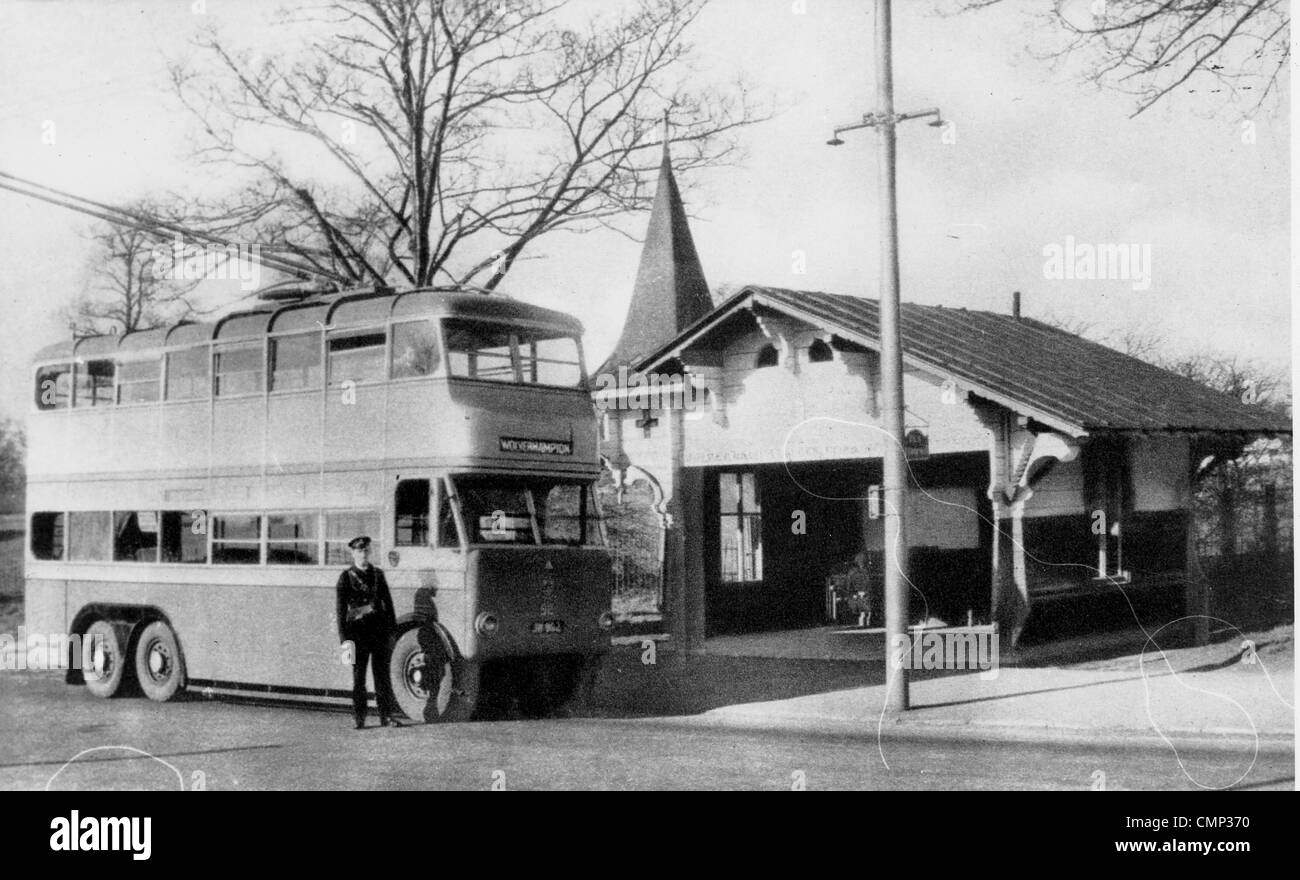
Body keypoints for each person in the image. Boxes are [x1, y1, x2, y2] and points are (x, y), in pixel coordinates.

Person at [335, 536, 399, 729]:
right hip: (357, 635)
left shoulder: (378, 575)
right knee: (358, 677)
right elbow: (340, 611)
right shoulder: (346, 577)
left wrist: (392, 632)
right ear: (353, 553)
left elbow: (388, 604)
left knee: (382, 677)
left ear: (369, 552)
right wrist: (344, 640)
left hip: (378, 633)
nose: (363, 554)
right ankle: (359, 717)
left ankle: (386, 716)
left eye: (365, 551)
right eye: (359, 551)